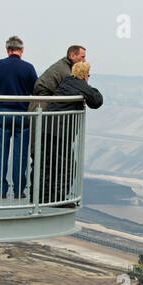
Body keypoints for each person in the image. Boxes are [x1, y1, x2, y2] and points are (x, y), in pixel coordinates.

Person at [35, 59, 102, 202]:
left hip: (47, 128)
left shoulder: (66, 82)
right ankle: (59, 199)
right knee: (67, 167)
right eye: (88, 75)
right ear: (85, 75)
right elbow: (97, 101)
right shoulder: (80, 84)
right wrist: (87, 89)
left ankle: (41, 197)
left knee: (47, 165)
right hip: (60, 133)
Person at [0, 36, 38, 198]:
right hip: (22, 115)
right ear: (21, 51)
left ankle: (1, 189)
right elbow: (35, 88)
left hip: (2, 112)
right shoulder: (28, 67)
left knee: (0, 153)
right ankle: (19, 191)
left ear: (7, 50)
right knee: (20, 155)